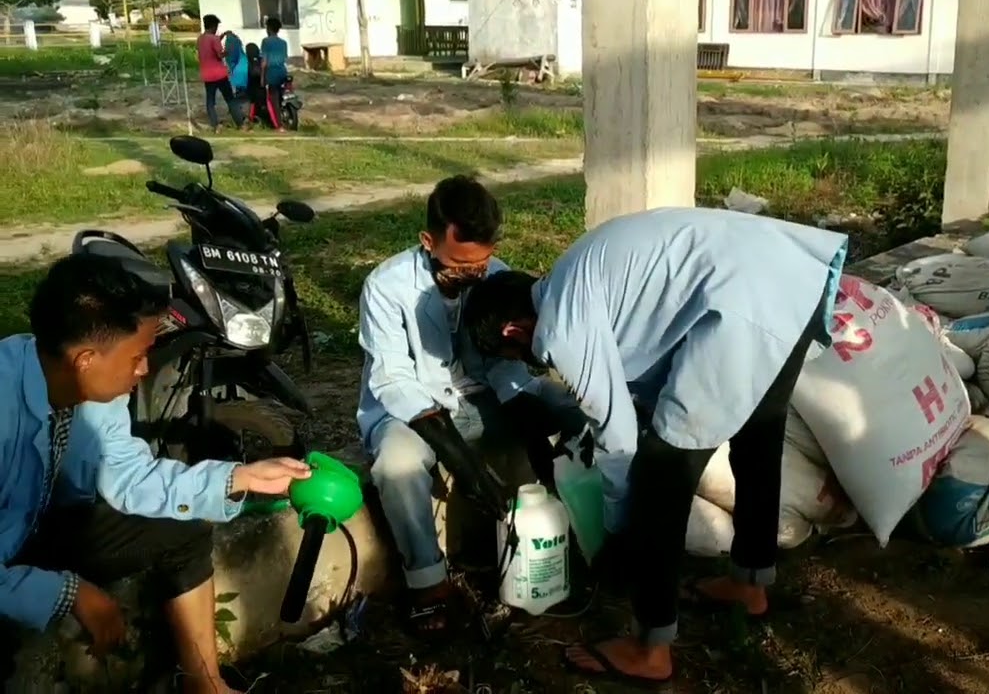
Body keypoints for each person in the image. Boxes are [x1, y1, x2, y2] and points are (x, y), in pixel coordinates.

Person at [462, 207, 848, 686]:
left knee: (662, 473)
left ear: (512, 331)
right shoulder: (573, 277)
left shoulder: (561, 323)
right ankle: (750, 582)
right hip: (790, 278)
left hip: (744, 302)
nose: (535, 363)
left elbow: (619, 436)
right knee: (757, 439)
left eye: (517, 356)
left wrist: (619, 529)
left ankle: (650, 647)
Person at [0, 253, 314, 694]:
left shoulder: (91, 390)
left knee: (181, 530)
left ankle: (205, 684)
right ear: (86, 358)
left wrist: (238, 477)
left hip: (32, 528)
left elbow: (128, 477)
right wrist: (68, 592)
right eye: (138, 356)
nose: (145, 370)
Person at [357, 175, 586, 639]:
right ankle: (428, 584)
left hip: (478, 400)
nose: (474, 274)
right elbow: (394, 380)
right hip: (411, 410)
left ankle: (582, 540)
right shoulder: (387, 287)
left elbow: (500, 361)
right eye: (462, 265)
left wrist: (523, 402)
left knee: (571, 407)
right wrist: (460, 459)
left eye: (481, 262)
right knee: (397, 464)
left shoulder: (494, 273)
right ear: (428, 241)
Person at [195, 14, 243, 133]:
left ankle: (215, 126)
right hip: (219, 75)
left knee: (210, 102)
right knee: (230, 99)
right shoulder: (214, 39)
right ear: (213, 26)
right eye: (216, 26)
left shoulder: (200, 39)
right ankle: (240, 123)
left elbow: (209, 46)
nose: (217, 29)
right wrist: (229, 50)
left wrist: (221, 36)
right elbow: (219, 54)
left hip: (207, 75)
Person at [260, 18, 289, 132]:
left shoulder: (266, 42)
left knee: (274, 99)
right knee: (282, 96)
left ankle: (279, 125)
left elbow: (264, 62)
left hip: (271, 73)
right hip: (282, 71)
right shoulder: (283, 43)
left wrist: (262, 77)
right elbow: (284, 58)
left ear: (269, 28)